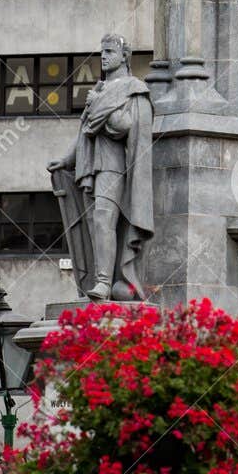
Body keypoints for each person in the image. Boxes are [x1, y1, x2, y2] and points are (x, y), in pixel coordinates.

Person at [48, 33, 154, 302]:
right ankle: (98, 278)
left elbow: (126, 127)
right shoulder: (99, 89)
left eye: (109, 51)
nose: (103, 56)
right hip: (88, 165)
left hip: (112, 164)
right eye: (102, 52)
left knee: (104, 220)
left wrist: (101, 108)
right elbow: (84, 129)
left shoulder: (133, 87)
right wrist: (66, 160)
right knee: (94, 225)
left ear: (123, 56)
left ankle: (105, 282)